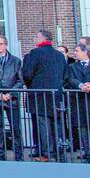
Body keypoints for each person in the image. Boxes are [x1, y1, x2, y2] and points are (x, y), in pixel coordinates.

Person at [22, 29, 68, 160]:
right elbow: (65, 74)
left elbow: (27, 73)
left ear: (42, 39)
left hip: (39, 94)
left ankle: (47, 153)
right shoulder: (59, 55)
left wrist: (31, 85)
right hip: (56, 94)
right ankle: (58, 151)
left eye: (36, 37)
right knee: (56, 123)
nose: (35, 39)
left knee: (43, 124)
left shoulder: (35, 53)